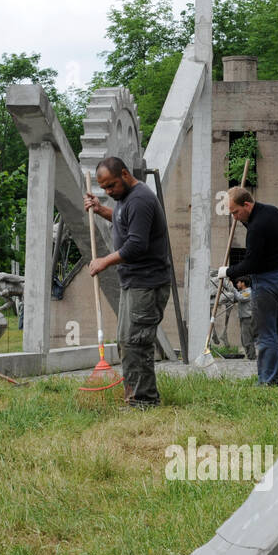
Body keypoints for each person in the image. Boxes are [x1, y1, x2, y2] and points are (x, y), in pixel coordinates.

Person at [84, 157, 171, 409]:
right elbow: (125, 221)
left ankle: (145, 401)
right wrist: (101, 210)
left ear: (124, 173)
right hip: (133, 282)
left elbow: (136, 244)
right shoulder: (125, 200)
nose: (109, 192)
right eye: (104, 188)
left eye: (111, 186)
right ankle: (136, 398)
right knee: (126, 340)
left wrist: (104, 261)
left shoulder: (140, 199)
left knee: (136, 341)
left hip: (147, 283)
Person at [213, 187, 278, 386]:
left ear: (247, 205)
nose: (234, 218)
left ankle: (267, 381)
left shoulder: (256, 227)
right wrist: (245, 221)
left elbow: (252, 264)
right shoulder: (273, 212)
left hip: (267, 282)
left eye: (235, 212)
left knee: (266, 334)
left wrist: (227, 272)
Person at [234, 278, 255, 360]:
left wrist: (232, 289)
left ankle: (252, 357)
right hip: (243, 318)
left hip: (248, 318)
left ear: (243, 283)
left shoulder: (248, 292)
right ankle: (249, 355)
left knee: (247, 338)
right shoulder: (243, 292)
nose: (237, 284)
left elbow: (241, 298)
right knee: (244, 339)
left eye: (238, 283)